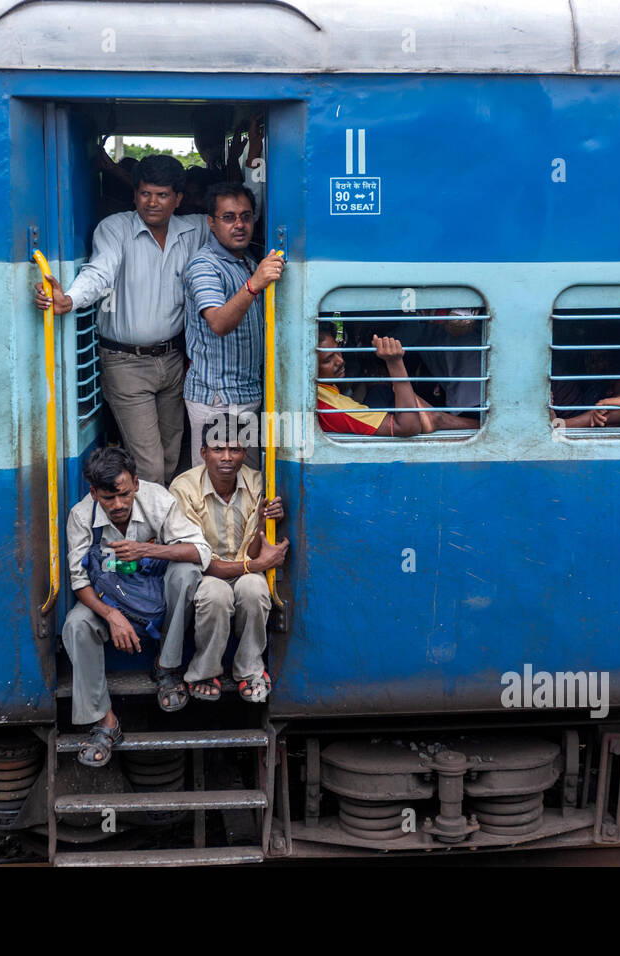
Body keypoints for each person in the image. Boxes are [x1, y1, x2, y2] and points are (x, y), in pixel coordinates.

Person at [35, 154, 209, 485]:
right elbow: (99, 271)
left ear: (178, 199)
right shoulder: (116, 228)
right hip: (125, 363)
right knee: (151, 466)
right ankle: (149, 536)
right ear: (135, 194)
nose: (152, 202)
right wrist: (70, 299)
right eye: (145, 193)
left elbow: (242, 215)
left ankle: (159, 532)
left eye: (162, 195)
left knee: (173, 458)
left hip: (173, 361)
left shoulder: (195, 229)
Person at [60, 447, 211, 767]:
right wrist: (111, 615)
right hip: (108, 602)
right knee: (76, 624)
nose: (117, 505)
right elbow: (79, 582)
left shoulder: (158, 500)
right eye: (107, 498)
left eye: (124, 495)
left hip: (155, 595)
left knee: (186, 574)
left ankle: (167, 668)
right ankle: (105, 721)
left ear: (136, 484)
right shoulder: (81, 515)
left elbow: (200, 553)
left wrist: (146, 550)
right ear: (93, 492)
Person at [169, 414, 290, 703]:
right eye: (217, 449)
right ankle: (204, 671)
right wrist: (255, 566)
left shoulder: (258, 483)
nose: (226, 457)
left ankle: (249, 670)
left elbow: (253, 550)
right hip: (207, 573)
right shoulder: (183, 488)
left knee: (255, 589)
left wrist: (264, 521)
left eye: (234, 450)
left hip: (245, 567)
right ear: (203, 453)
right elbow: (201, 560)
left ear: (244, 454)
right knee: (215, 595)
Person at [182, 182, 285, 467]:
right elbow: (218, 322)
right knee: (216, 485)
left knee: (247, 484)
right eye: (228, 217)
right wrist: (254, 285)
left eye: (246, 216)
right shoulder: (204, 265)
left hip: (246, 394)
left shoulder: (248, 261)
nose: (239, 224)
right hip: (219, 398)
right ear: (211, 223)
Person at [315, 323, 478, 436]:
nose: (340, 361)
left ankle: (439, 418)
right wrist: (394, 363)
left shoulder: (324, 391)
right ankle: (440, 419)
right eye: (328, 359)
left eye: (338, 351)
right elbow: (407, 426)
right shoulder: (329, 406)